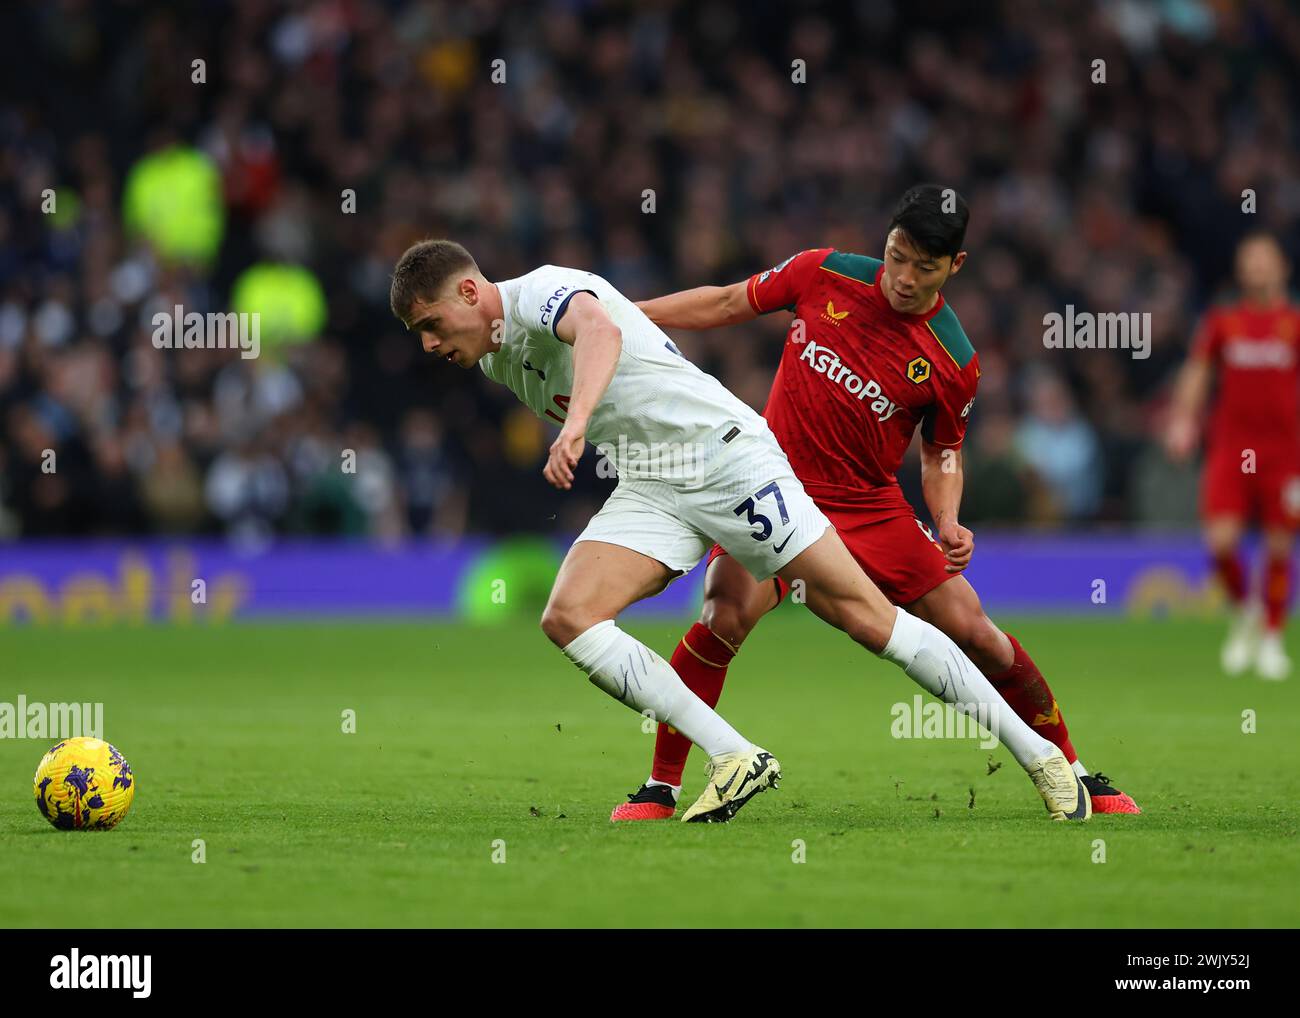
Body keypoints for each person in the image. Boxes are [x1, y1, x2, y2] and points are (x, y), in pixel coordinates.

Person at [389, 237, 1091, 823]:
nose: (428, 345)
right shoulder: (488, 350)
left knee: (867, 617)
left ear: (473, 293)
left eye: (432, 325)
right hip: (654, 481)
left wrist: (574, 429)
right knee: (569, 615)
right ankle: (734, 757)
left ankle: (1043, 759)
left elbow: (599, 329)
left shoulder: (541, 291)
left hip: (725, 460)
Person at [606, 185, 1137, 821]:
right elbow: (724, 302)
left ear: (955, 267)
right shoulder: (820, 272)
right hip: (770, 486)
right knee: (724, 613)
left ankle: (1072, 769)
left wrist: (947, 520)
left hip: (868, 507)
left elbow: (942, 452)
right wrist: (622, 314)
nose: (904, 279)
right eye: (897, 256)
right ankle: (661, 787)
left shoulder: (953, 360)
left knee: (978, 634)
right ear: (884, 241)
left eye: (924, 267)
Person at [1166, 232, 1300, 680]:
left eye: (1265, 260)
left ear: (1281, 267)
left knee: (1279, 545)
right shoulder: (1223, 322)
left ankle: (1272, 638)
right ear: (1241, 270)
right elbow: (1198, 371)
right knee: (1221, 543)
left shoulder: (1294, 323)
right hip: (1232, 449)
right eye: (1250, 260)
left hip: (1286, 453)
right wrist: (1183, 419)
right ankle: (1246, 613)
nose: (1257, 268)